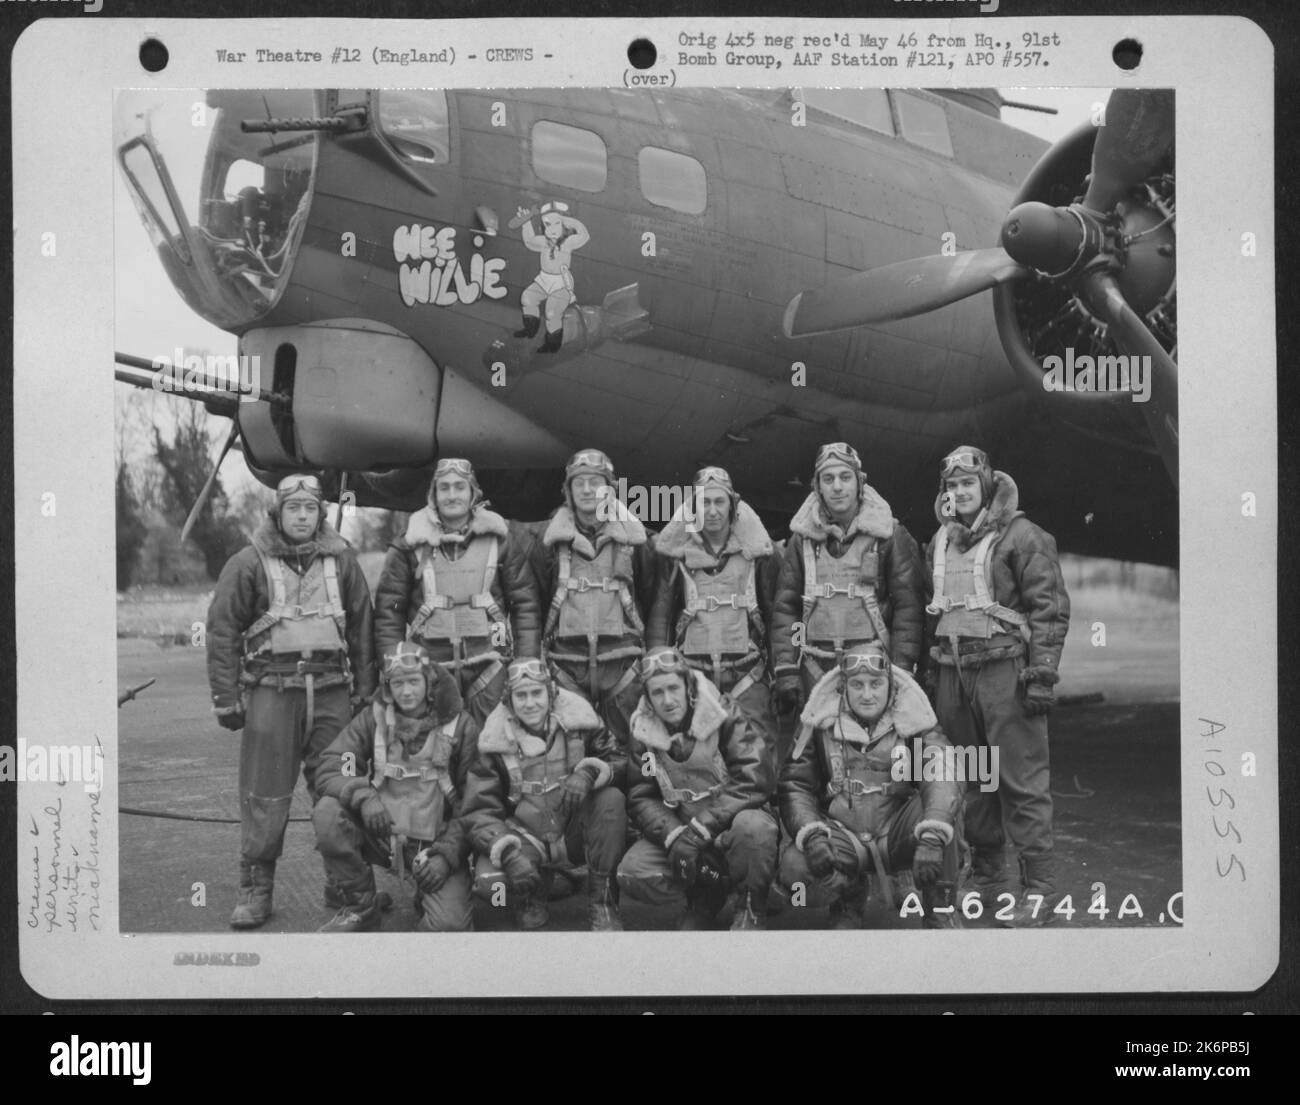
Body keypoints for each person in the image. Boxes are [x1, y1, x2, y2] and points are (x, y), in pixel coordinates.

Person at [205, 473, 376, 929]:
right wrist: (226, 696)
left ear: (321, 514)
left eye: (310, 509)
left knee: (338, 789)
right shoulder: (247, 563)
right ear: (277, 513)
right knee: (265, 794)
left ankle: (345, 884)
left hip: (332, 691)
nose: (302, 516)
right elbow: (222, 629)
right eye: (293, 508)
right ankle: (255, 889)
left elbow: (362, 630)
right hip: (272, 691)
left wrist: (365, 691)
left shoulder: (343, 562)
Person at [924, 446, 1070, 926]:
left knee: (1020, 782)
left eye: (968, 483)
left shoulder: (1024, 537)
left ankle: (1040, 889)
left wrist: (1042, 675)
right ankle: (989, 881)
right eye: (952, 486)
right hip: (954, 671)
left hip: (1004, 672)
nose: (960, 492)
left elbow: (1049, 608)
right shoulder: (939, 543)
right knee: (976, 779)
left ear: (986, 485)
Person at [778, 642, 964, 929]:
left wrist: (932, 834)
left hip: (896, 831)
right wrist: (812, 834)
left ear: (890, 686)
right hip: (845, 833)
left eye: (876, 684)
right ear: (843, 687)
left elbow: (944, 771)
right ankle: (848, 897)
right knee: (794, 865)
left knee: (945, 814)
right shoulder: (818, 722)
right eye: (857, 684)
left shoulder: (915, 720)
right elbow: (794, 784)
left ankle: (940, 913)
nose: (867, 695)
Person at [312, 643, 477, 933]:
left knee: (449, 927)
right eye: (397, 683)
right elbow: (334, 762)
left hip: (435, 844)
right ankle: (360, 908)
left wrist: (447, 856)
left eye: (413, 681)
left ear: (429, 683)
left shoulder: (461, 726)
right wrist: (362, 795)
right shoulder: (373, 719)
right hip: (382, 833)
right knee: (328, 811)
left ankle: (428, 892)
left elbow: (475, 802)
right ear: (388, 687)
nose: (406, 691)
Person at [461, 658, 628, 931]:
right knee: (492, 888)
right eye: (521, 695)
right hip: (526, 834)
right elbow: (479, 811)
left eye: (537, 693)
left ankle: (604, 903)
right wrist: (509, 854)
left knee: (611, 801)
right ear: (509, 700)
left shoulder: (582, 722)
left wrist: (588, 773)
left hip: (574, 829)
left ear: (550, 694)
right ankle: (530, 895)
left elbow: (622, 761)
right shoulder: (493, 741)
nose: (530, 703)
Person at [617, 647, 778, 930]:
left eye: (673, 688)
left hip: (733, 821)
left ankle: (751, 905)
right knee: (634, 871)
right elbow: (641, 796)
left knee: (755, 830)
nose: (667, 700)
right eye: (657, 693)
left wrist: (700, 830)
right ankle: (705, 896)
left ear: (689, 686)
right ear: (648, 698)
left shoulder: (723, 713)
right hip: (682, 824)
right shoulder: (642, 732)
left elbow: (754, 779)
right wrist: (673, 835)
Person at [374, 458, 540, 726]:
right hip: (429, 672)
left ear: (472, 492)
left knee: (491, 753)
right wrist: (395, 669)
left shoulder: (501, 541)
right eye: (444, 488)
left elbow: (525, 606)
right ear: (433, 494)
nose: (452, 495)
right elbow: (387, 615)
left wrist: (526, 665)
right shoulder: (409, 545)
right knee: (435, 754)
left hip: (491, 666)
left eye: (460, 487)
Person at [770, 442, 924, 729]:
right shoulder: (801, 541)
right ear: (818, 487)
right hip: (814, 668)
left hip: (871, 673)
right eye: (828, 479)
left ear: (859, 483)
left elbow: (908, 609)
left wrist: (902, 669)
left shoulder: (889, 536)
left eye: (845, 477)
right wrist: (788, 666)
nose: (837, 487)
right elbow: (788, 608)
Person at [646, 466, 779, 769]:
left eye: (720, 502)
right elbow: (660, 617)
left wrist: (783, 669)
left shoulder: (760, 556)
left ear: (733, 507)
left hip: (748, 673)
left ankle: (763, 813)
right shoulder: (675, 558)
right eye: (705, 503)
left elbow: (778, 616)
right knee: (693, 756)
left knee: (759, 753)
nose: (713, 511)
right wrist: (655, 667)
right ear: (693, 508)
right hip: (694, 674)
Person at [532, 448, 654, 754]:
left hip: (623, 667)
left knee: (632, 752)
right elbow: (536, 601)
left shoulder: (638, 543)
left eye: (595, 482)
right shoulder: (548, 542)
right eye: (579, 482)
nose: (587, 490)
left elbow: (652, 600)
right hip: (566, 668)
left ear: (610, 489)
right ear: (568, 491)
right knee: (569, 753)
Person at [514, 200, 590, 353]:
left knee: (552, 312)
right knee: (527, 298)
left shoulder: (568, 242)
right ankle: (530, 330)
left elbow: (585, 236)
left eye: (557, 223)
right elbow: (529, 241)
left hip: (560, 284)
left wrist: (570, 221)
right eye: (548, 225)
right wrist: (526, 223)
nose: (553, 229)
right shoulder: (544, 242)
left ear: (564, 225)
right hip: (544, 280)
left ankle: (552, 344)